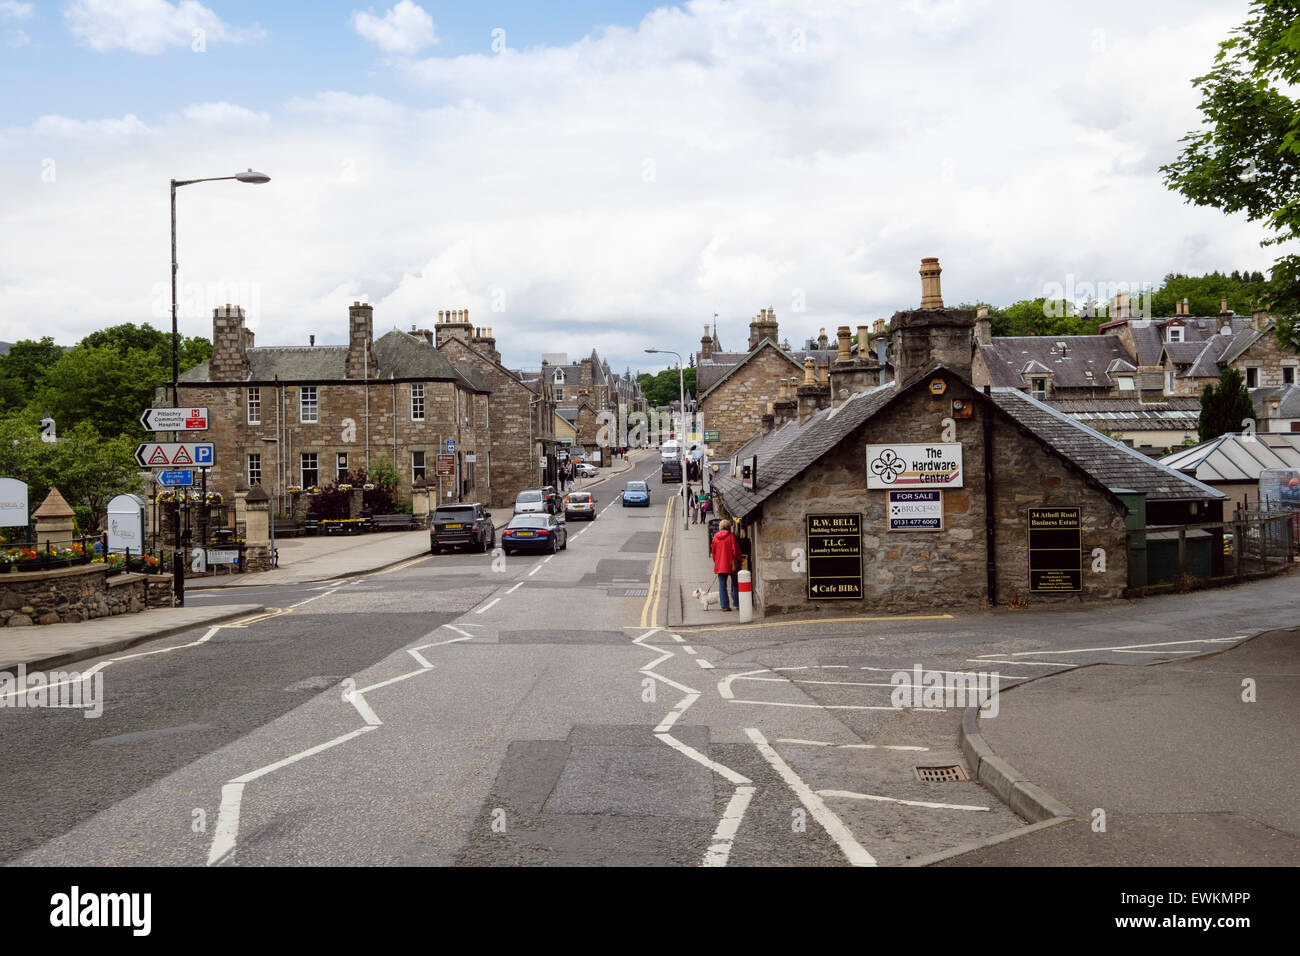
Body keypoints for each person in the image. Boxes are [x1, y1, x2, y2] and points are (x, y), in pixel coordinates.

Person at [710, 518, 742, 611]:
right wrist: (739, 560)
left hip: (720, 565)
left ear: (720, 527)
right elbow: (735, 551)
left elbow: (714, 552)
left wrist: (716, 562)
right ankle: (737, 603)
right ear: (729, 527)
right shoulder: (731, 536)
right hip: (732, 564)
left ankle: (724, 606)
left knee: (722, 585)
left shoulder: (715, 537)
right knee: (735, 584)